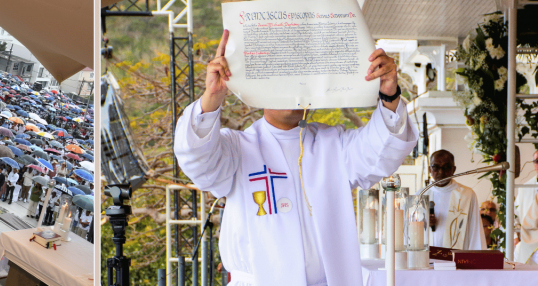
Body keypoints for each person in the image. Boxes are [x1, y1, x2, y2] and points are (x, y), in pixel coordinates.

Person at [173, 30, 417, 285]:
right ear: (260, 90)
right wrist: (212, 97)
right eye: (281, 80)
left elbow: (381, 152)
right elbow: (196, 159)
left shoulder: (334, 144)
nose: (290, 90)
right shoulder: (236, 148)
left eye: (298, 80)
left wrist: (389, 94)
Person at [427, 150, 486, 250]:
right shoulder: (420, 195)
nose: (441, 172)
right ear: (429, 169)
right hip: (427, 258)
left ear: (453, 169)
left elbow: (475, 230)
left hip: (458, 260)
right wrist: (424, 222)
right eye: (436, 167)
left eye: (446, 167)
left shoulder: (467, 195)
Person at [515, 151, 538, 264]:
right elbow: (514, 215)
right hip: (529, 242)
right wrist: (515, 237)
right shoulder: (524, 188)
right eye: (537, 161)